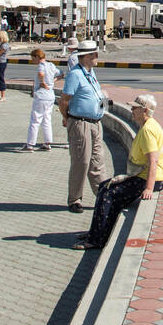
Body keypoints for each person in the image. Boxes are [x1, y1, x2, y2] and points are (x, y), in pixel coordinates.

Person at [73, 94, 163, 250]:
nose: (131, 110)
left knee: (108, 194)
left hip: (150, 179)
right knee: (104, 186)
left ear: (145, 110)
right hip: (141, 176)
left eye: (135, 108)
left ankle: (97, 240)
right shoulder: (147, 125)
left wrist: (149, 188)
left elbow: (153, 161)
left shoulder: (148, 131)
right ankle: (96, 232)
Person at [58, 40, 107, 213]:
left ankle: (103, 195)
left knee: (97, 162)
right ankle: (75, 199)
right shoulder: (75, 75)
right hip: (81, 122)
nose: (97, 57)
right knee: (81, 161)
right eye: (95, 54)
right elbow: (64, 100)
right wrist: (67, 119)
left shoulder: (90, 72)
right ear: (86, 56)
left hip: (95, 123)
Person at [23, 48, 62, 151]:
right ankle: (47, 142)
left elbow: (41, 74)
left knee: (35, 119)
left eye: (33, 58)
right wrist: (52, 81)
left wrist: (42, 82)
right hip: (50, 95)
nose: (32, 61)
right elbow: (61, 74)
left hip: (41, 95)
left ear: (37, 57)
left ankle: (30, 144)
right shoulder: (51, 65)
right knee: (47, 119)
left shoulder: (41, 65)